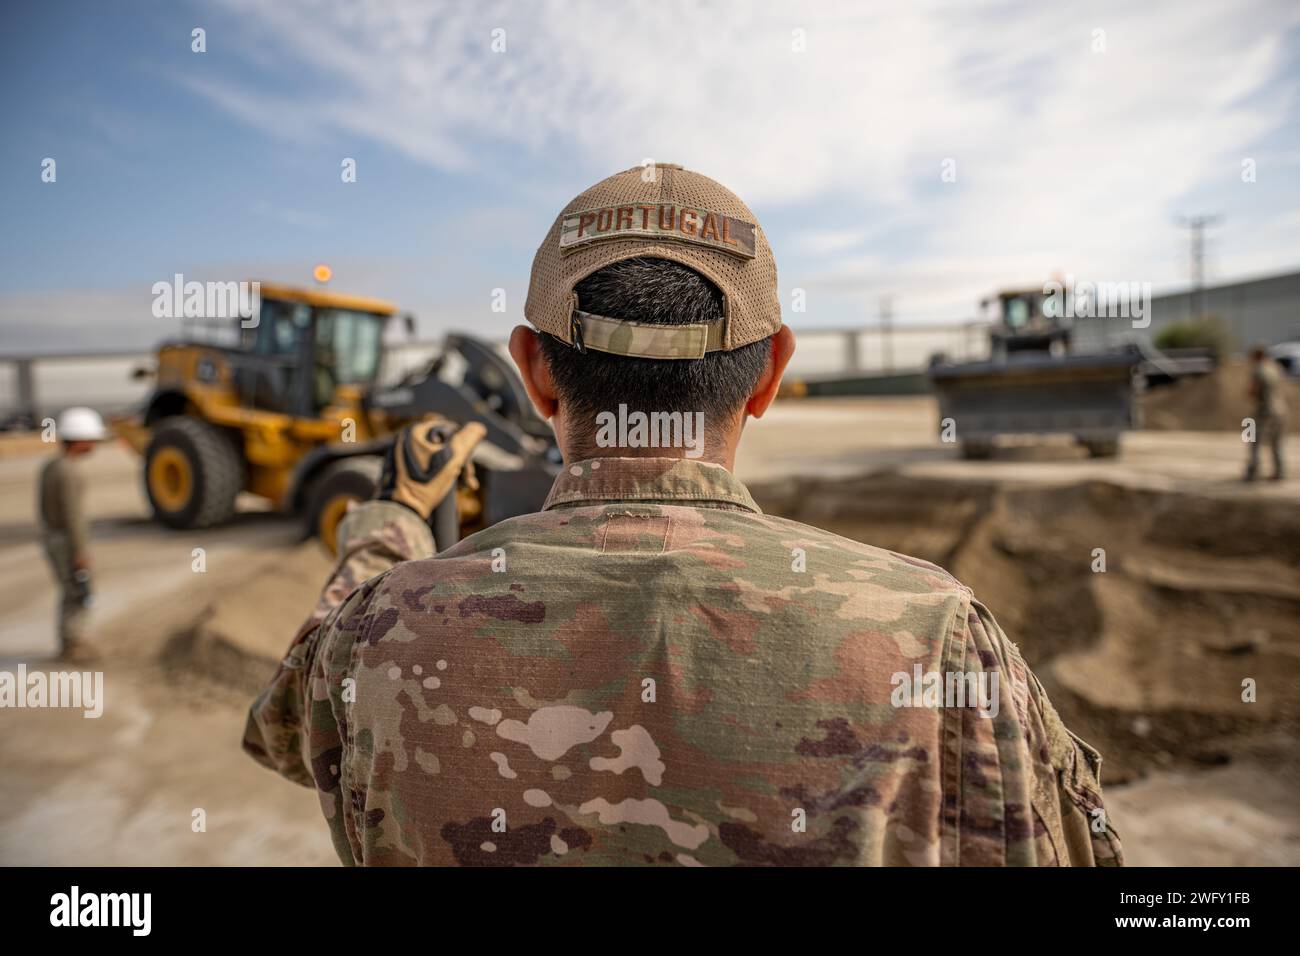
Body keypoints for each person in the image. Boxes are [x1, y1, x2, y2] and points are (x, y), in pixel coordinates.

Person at [244, 164, 1122, 866]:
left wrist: (392, 521)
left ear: (534, 370)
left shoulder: (380, 631)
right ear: (771, 371)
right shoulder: (936, 636)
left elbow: (287, 731)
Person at [38, 406, 107, 660]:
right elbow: (73, 516)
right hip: (66, 541)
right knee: (78, 591)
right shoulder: (69, 471)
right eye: (92, 439)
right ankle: (72, 644)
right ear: (80, 440)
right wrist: (80, 551)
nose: (95, 444)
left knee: (70, 589)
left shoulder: (51, 466)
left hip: (52, 536)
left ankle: (70, 640)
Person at [1245, 345, 1287, 481]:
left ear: (1257, 356)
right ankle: (1279, 472)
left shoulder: (1258, 370)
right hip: (1281, 409)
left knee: (1252, 438)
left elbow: (1252, 390)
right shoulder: (1275, 368)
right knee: (1276, 442)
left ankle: (1253, 472)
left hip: (1264, 410)